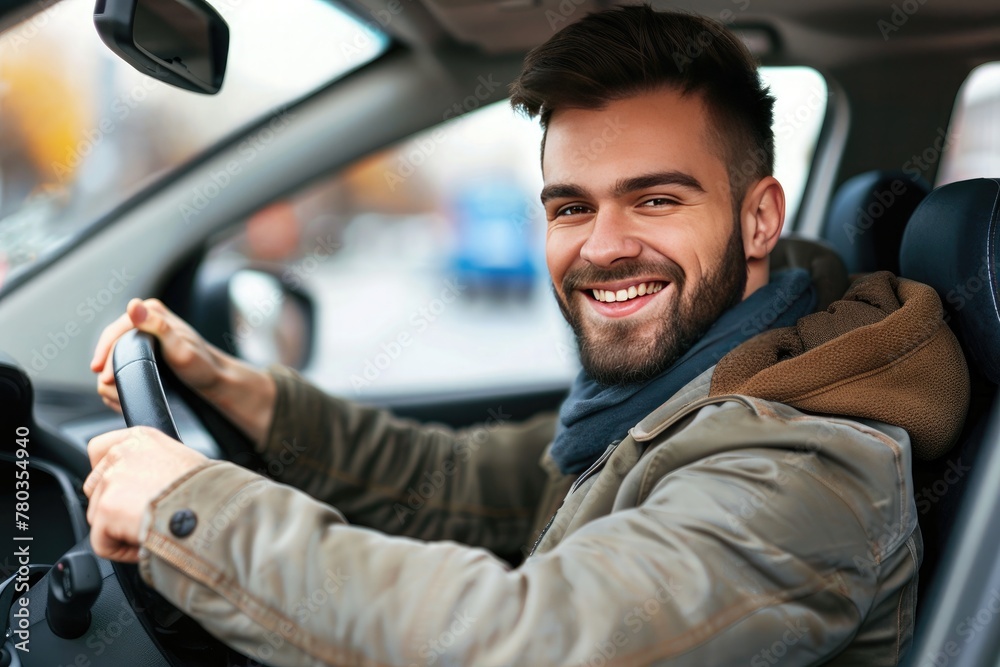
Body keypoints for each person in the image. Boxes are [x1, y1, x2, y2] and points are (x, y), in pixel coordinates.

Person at [85, 6, 969, 666]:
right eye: (571, 207)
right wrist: (246, 394)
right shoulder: (674, 394)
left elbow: (537, 640)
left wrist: (190, 511)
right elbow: (458, 483)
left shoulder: (807, 466)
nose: (604, 246)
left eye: (656, 198)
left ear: (759, 218)